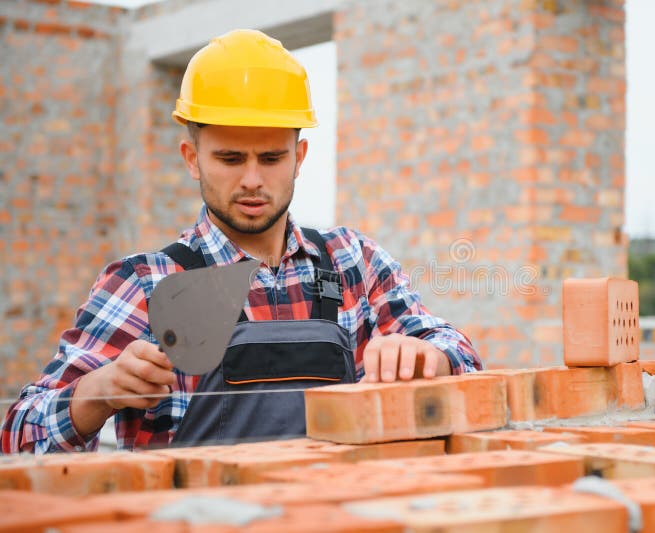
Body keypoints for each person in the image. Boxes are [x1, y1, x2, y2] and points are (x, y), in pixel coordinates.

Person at [1, 29, 481, 453]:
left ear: (300, 156)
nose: (252, 180)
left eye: (271, 158)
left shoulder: (354, 262)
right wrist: (98, 391)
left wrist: (430, 358)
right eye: (230, 159)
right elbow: (18, 436)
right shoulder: (145, 285)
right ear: (192, 158)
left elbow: (465, 362)